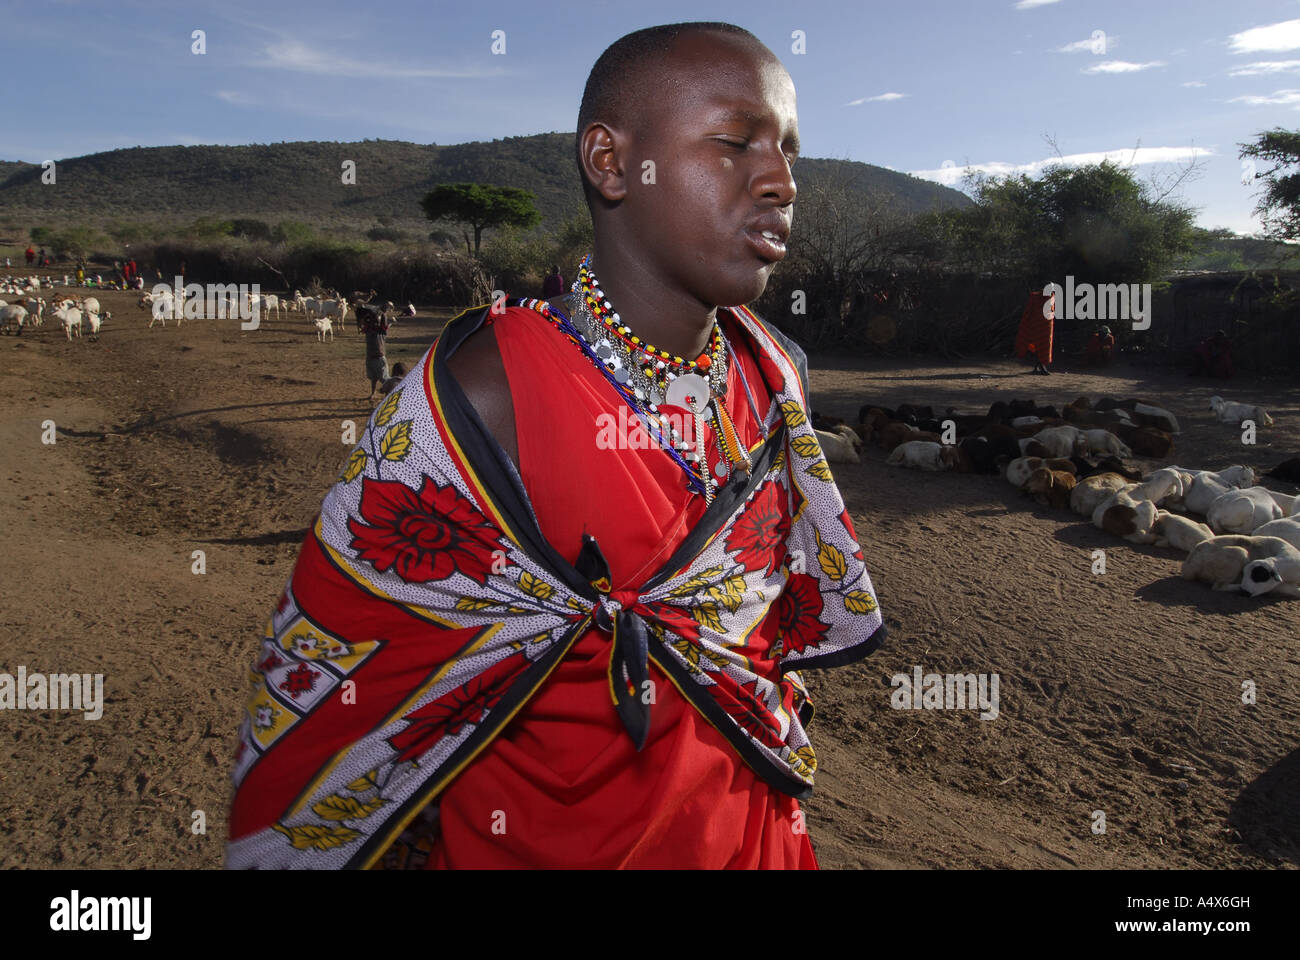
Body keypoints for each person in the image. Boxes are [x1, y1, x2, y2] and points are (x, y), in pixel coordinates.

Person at [226, 22, 884, 871]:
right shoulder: (486, 394)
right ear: (610, 163)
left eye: (790, 151)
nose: (782, 181)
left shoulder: (774, 374)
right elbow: (336, 682)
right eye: (733, 142)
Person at [1015, 289, 1054, 374]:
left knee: (1044, 346)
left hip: (1047, 326)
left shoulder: (1051, 297)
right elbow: (1030, 310)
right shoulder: (1036, 297)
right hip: (1037, 325)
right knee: (1037, 346)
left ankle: (1039, 367)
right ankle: (1041, 367)